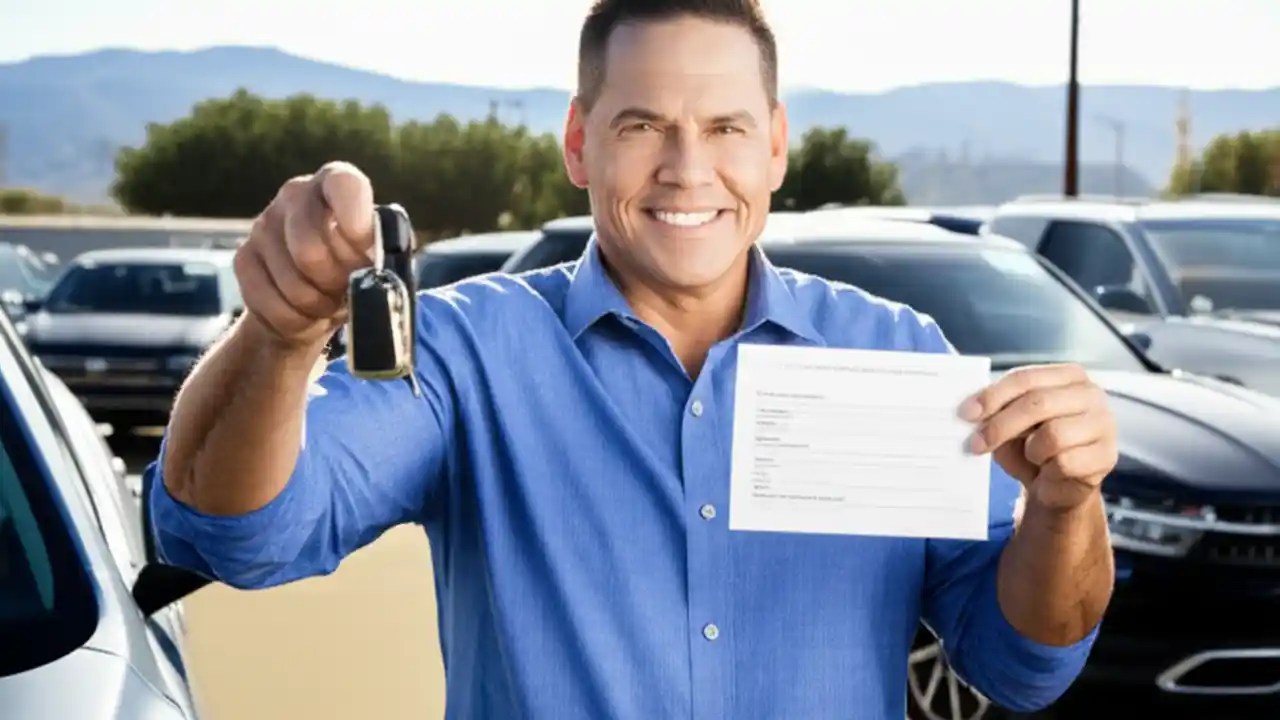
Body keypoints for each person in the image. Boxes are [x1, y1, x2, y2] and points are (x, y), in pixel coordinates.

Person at [145, 0, 1117, 717]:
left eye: (725, 128)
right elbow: (236, 534)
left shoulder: (894, 355)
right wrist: (277, 338)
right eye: (643, 125)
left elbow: (1019, 665)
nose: (687, 170)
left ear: (775, 147)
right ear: (580, 144)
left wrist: (1065, 508)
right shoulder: (465, 353)